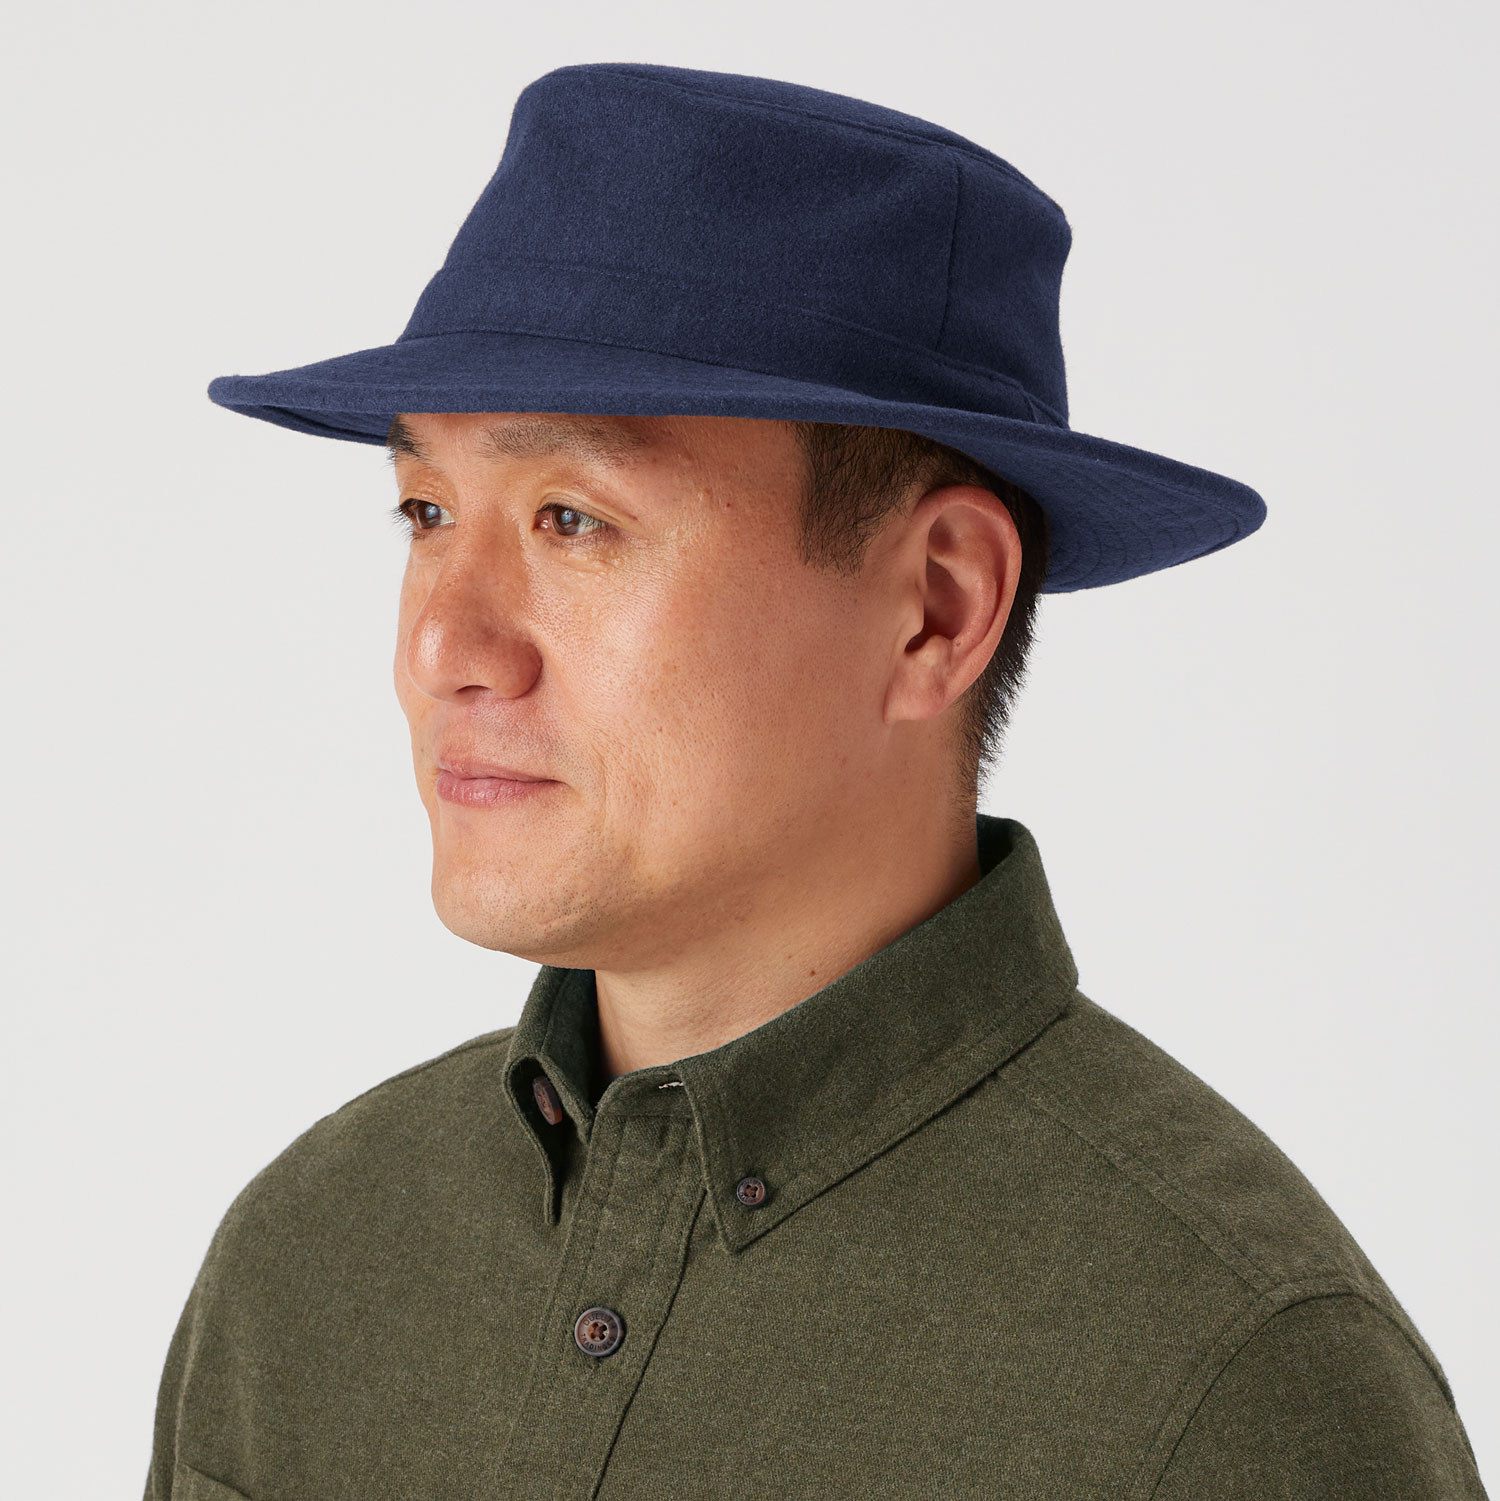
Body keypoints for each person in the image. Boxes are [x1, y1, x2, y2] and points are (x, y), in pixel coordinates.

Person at [145, 62, 1488, 1500]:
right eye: (424, 510)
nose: (443, 647)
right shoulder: (304, 1268)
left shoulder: (1235, 1382)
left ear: (936, 607)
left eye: (572, 519)